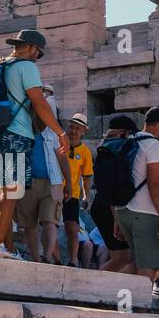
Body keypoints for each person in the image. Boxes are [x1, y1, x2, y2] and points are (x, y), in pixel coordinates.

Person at [0, 29, 67, 259]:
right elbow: (40, 103)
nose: (37, 58)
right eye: (39, 53)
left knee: (2, 194)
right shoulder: (27, 67)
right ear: (33, 48)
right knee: (11, 195)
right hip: (17, 135)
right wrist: (60, 132)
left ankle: (7, 247)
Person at [110, 106, 159, 294]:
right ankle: (135, 308)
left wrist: (116, 217)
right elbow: (155, 184)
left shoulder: (128, 141)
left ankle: (119, 301)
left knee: (137, 262)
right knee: (150, 266)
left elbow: (116, 180)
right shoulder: (155, 146)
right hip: (144, 213)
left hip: (123, 211)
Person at [15, 108, 69, 263]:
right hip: (27, 182)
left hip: (51, 182)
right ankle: (37, 259)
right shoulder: (20, 132)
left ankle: (47, 254)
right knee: (29, 223)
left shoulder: (53, 133)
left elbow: (63, 159)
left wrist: (69, 184)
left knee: (49, 221)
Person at [91, 115, 138, 273]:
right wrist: (117, 218)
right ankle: (94, 288)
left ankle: (99, 288)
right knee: (123, 258)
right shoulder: (114, 152)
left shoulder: (105, 149)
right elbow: (112, 188)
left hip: (104, 207)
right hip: (109, 208)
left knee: (122, 258)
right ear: (123, 133)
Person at [62, 113, 95, 267]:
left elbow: (87, 176)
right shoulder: (60, 143)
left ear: (84, 131)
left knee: (72, 227)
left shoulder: (85, 152)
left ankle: (73, 260)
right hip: (54, 190)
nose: (73, 131)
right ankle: (50, 256)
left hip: (72, 194)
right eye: (72, 127)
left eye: (77, 128)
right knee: (50, 224)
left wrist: (86, 196)